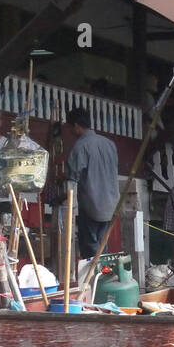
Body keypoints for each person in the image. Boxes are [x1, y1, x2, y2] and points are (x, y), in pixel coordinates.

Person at [63, 107, 120, 259]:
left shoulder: (80, 146)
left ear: (76, 126)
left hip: (92, 205)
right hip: (112, 204)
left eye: (69, 128)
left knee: (90, 247)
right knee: (103, 245)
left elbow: (72, 177)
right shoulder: (110, 144)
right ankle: (102, 277)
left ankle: (93, 277)